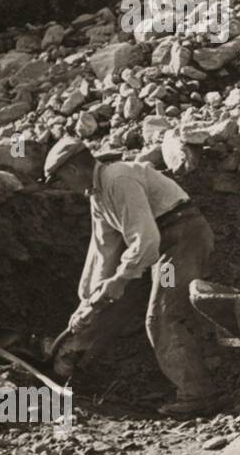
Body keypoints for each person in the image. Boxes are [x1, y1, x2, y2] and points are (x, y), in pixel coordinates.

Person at [44, 137, 220, 417]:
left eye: (62, 179)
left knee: (162, 315)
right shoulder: (98, 195)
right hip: (165, 243)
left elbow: (146, 241)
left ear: (74, 170)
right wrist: (88, 302)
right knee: (120, 304)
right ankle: (78, 367)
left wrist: (119, 280)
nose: (64, 187)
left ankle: (198, 395)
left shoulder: (118, 179)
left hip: (183, 237)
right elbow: (103, 252)